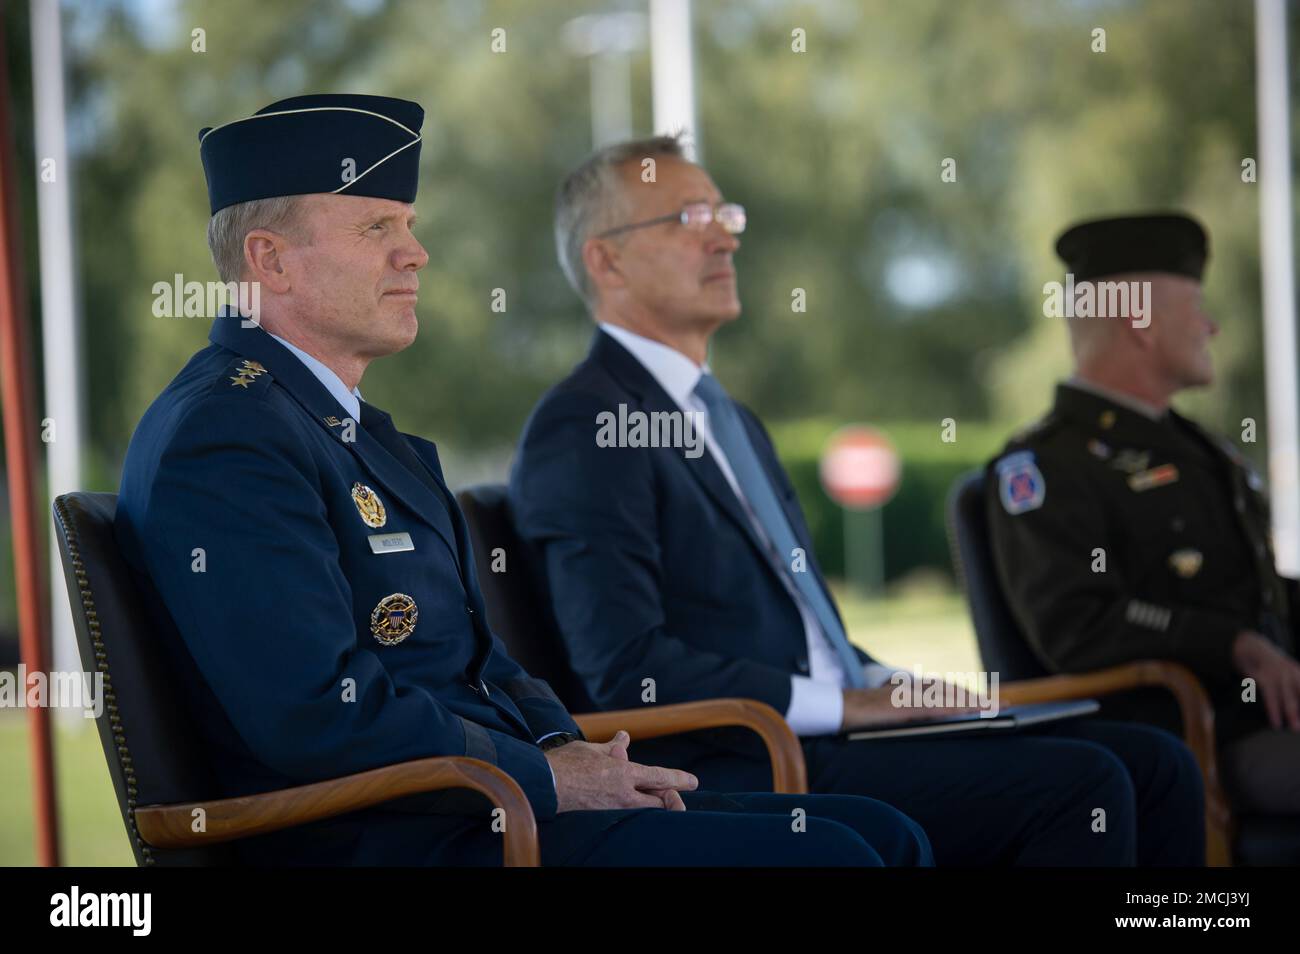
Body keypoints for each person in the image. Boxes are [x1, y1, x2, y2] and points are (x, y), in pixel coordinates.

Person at [114, 94, 933, 867]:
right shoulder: (227, 433)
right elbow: (316, 713)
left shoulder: (347, 429)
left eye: (408, 223)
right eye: (375, 227)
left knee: (879, 834)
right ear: (271, 262)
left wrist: (560, 747)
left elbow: (480, 659)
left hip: (476, 805)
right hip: (393, 833)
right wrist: (546, 780)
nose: (416, 252)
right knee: (835, 855)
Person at [510, 135, 1206, 865]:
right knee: (1086, 783)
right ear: (605, 259)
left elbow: (804, 633)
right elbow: (625, 664)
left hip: (833, 730)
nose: (723, 237)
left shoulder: (727, 417)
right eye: (688, 218)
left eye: (726, 215)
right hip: (744, 756)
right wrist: (847, 704)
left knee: (1157, 762)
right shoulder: (588, 423)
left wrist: (884, 682)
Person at [986, 212, 1300, 820]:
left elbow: (1251, 594)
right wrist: (1234, 646)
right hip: (1189, 739)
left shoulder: (1196, 448)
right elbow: (1077, 626)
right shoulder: (1044, 466)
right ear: (1140, 322)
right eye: (1195, 308)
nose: (1211, 325)